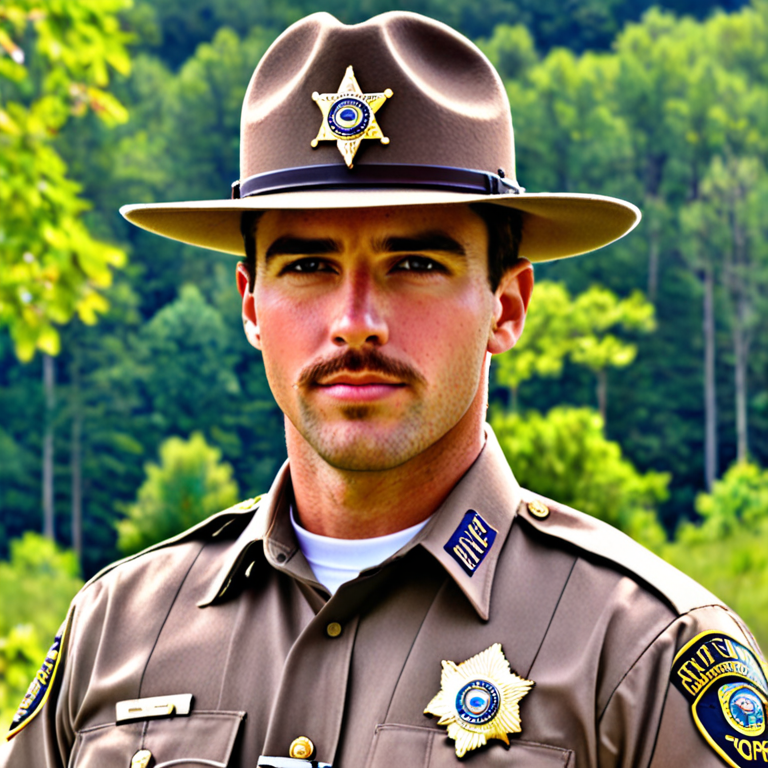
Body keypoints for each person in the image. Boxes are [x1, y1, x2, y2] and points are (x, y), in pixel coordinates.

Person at [3, 11, 766, 768]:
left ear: (507, 306)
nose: (355, 323)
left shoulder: (642, 657)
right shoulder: (117, 632)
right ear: (249, 305)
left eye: (415, 265)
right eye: (308, 267)